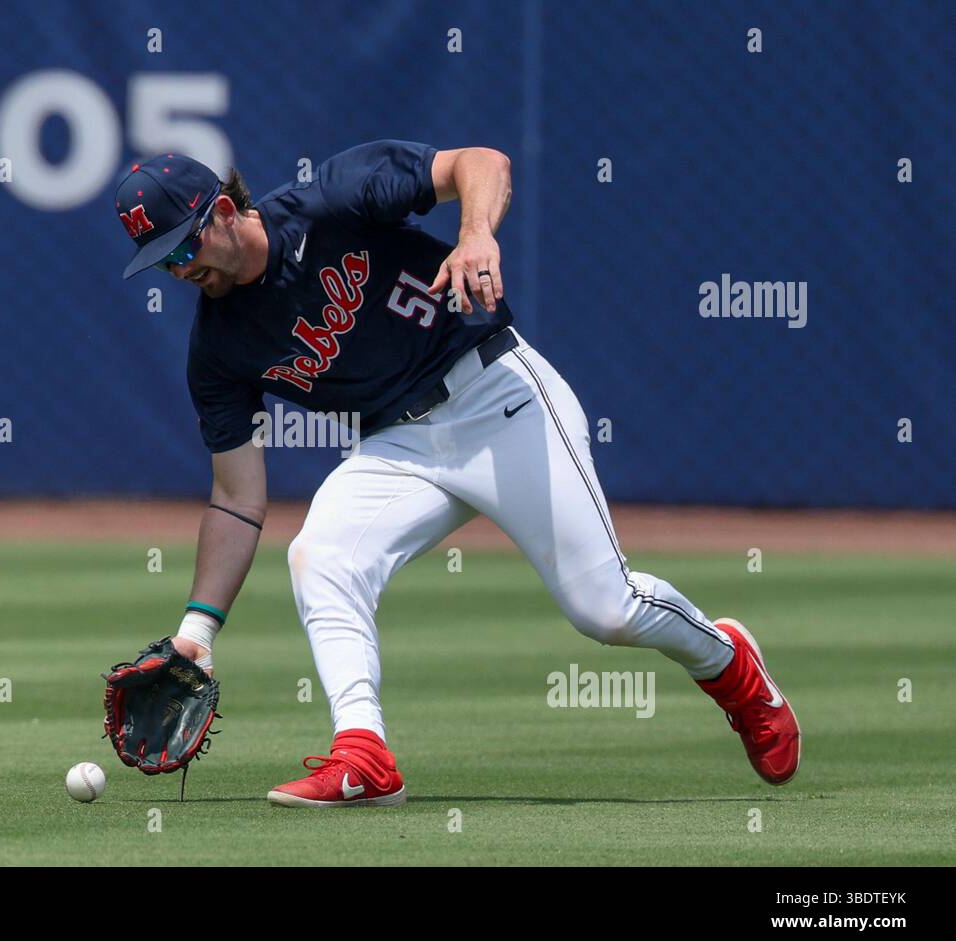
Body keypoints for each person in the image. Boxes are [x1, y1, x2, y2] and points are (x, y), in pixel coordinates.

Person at [114, 141, 800, 807]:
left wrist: (475, 235)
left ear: (225, 214)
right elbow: (237, 498)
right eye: (161, 262)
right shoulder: (217, 349)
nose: (177, 269)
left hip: (495, 393)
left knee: (606, 609)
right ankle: (364, 754)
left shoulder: (333, 198)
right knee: (319, 556)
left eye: (182, 246)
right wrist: (195, 636)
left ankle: (730, 664)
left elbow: (483, 163)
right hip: (399, 444)